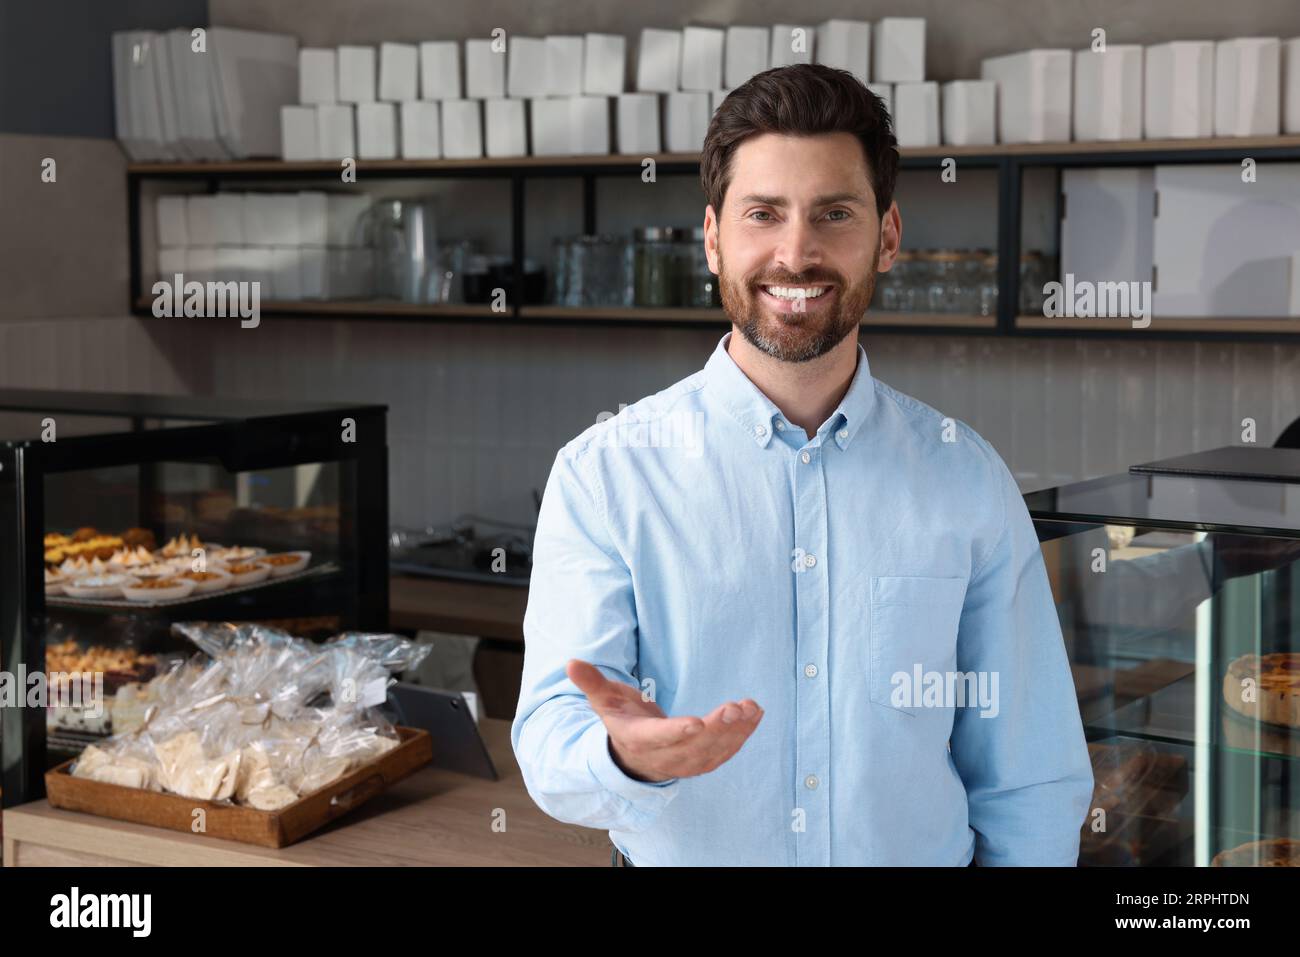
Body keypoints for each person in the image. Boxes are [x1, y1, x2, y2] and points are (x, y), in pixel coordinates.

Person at [511, 63, 1094, 866]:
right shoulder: (605, 474)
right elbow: (549, 736)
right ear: (713, 238)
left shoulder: (968, 479)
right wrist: (626, 756)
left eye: (833, 213)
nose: (797, 252)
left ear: (886, 237)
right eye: (763, 214)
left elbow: (1028, 777)